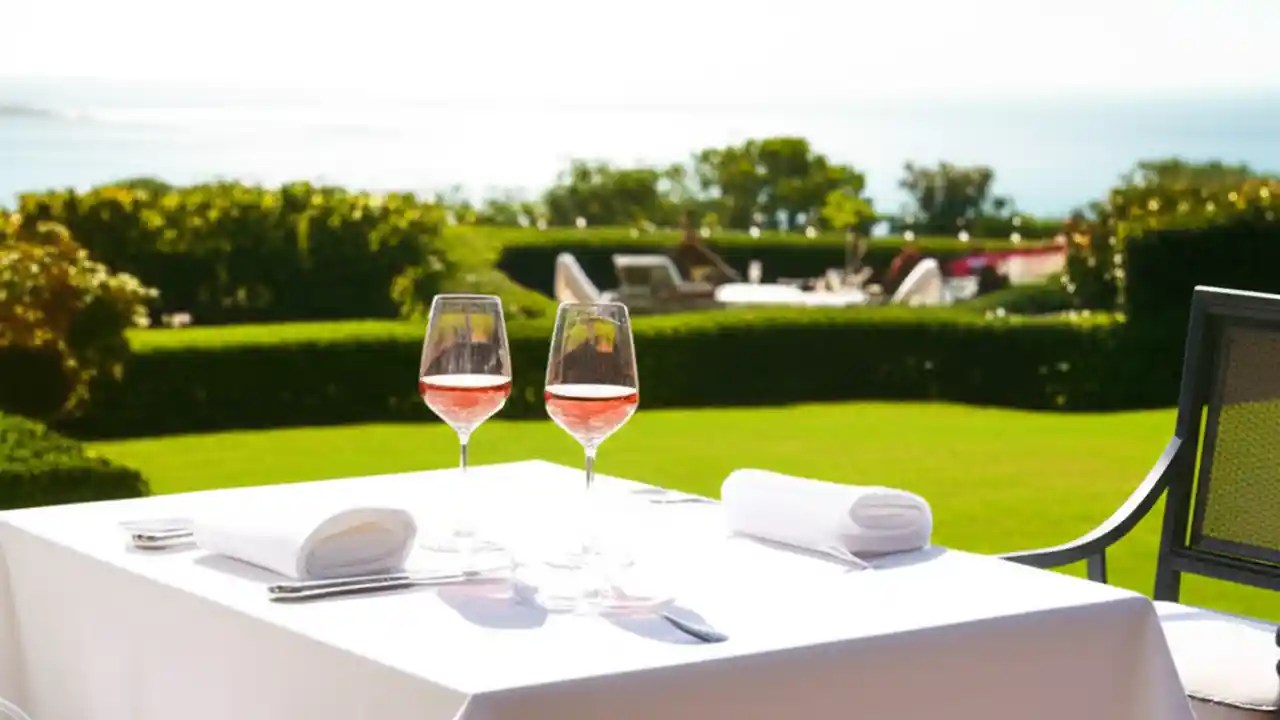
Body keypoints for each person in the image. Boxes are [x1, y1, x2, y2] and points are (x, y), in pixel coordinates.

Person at [668, 214, 742, 285]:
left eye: (690, 229)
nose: (688, 234)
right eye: (684, 229)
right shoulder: (675, 255)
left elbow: (730, 275)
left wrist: (699, 246)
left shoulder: (707, 251)